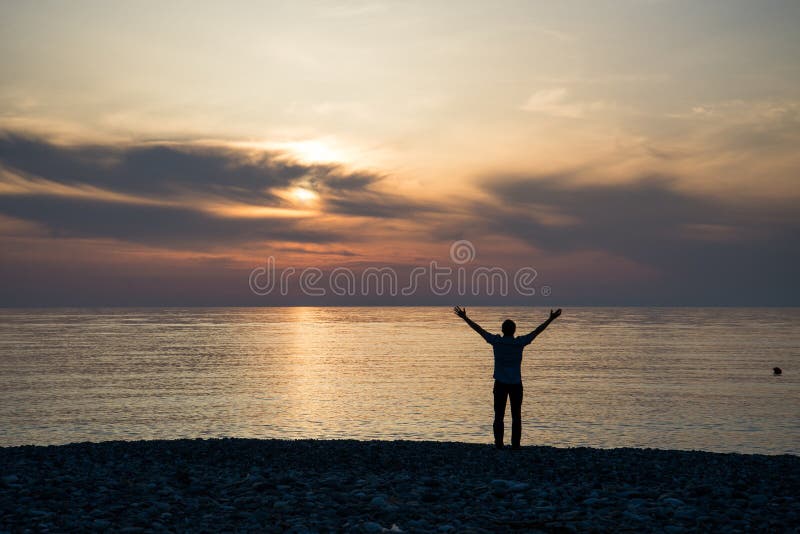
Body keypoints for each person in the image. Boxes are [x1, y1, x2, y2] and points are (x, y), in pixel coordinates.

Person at [453, 306, 562, 450]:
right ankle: (515, 445)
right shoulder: (519, 342)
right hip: (516, 384)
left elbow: (479, 330)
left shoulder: (497, 341)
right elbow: (536, 331)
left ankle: (499, 444)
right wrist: (550, 319)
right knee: (516, 416)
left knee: (499, 415)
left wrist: (465, 318)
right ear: (514, 330)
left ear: (502, 330)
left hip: (500, 384)